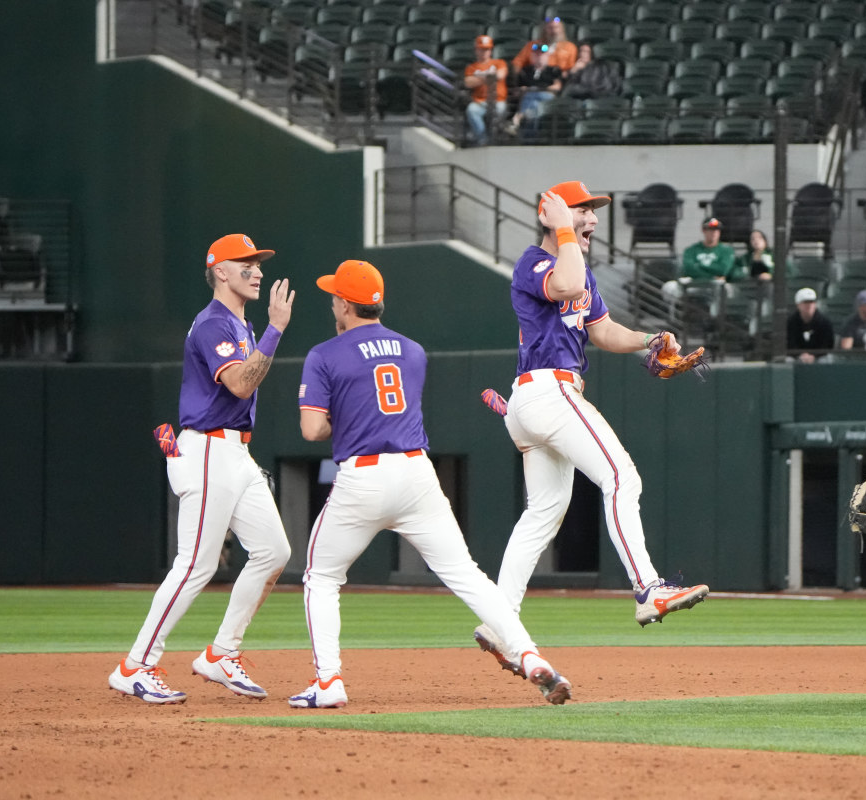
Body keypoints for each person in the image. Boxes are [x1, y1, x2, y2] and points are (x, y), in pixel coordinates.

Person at [288, 260, 572, 708]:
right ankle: (531, 656)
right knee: (467, 575)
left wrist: (341, 417)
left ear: (344, 303)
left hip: (363, 475)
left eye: (334, 297)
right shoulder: (413, 350)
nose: (332, 304)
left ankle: (329, 682)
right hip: (418, 472)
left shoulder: (325, 353)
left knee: (321, 577)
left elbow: (312, 430)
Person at [473, 180, 709, 670]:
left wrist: (650, 339)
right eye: (583, 210)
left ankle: (499, 622)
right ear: (552, 215)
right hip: (548, 390)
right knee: (622, 477)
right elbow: (567, 286)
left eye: (592, 212)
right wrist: (562, 227)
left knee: (542, 514)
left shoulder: (579, 268)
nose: (593, 219)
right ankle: (648, 588)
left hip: (536, 398)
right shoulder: (533, 262)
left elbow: (601, 330)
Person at [108, 233, 294, 704]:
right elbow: (238, 385)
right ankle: (136, 666)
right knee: (195, 565)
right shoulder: (214, 323)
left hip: (235, 454)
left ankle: (220, 654)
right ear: (220, 271)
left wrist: (265, 331)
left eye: (258, 263)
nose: (257, 270)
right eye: (246, 263)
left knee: (273, 552)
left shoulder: (238, 324)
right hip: (209, 451)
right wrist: (274, 329)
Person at [661, 218, 746, 318]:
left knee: (727, 288)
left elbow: (723, 270)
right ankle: (674, 319)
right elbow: (689, 269)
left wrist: (699, 266)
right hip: (693, 283)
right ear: (704, 231)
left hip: (715, 285)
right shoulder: (692, 250)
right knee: (669, 287)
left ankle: (716, 320)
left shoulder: (726, 250)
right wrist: (713, 271)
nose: (714, 233)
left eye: (716, 230)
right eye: (710, 229)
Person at [509, 42, 563, 138]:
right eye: (536, 54)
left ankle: (518, 118)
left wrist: (539, 89)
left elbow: (557, 87)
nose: (539, 57)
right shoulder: (525, 71)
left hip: (546, 97)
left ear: (547, 56)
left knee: (533, 94)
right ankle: (530, 134)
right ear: (532, 56)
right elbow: (517, 90)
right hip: (530, 99)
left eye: (541, 54)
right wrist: (524, 89)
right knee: (533, 104)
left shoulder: (553, 70)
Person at [463, 35, 508, 146]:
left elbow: (500, 75)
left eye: (487, 49)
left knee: (499, 112)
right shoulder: (472, 67)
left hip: (498, 100)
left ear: (491, 50)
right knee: (471, 110)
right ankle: (483, 140)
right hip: (479, 101)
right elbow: (468, 82)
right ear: (476, 50)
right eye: (481, 49)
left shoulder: (499, 63)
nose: (484, 52)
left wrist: (479, 78)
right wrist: (489, 77)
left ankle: (495, 140)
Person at [511, 15, 577, 74]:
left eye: (557, 27)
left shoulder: (570, 47)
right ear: (544, 30)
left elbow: (570, 68)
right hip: (534, 80)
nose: (554, 31)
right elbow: (517, 63)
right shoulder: (532, 45)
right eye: (550, 28)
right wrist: (521, 77)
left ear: (562, 30)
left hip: (558, 80)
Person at [786, 287, 835, 363]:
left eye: (811, 302)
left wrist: (814, 355)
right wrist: (800, 355)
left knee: (826, 360)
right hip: (797, 357)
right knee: (787, 360)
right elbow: (790, 343)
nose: (809, 305)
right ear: (798, 305)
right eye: (805, 302)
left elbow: (827, 344)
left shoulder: (824, 322)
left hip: (819, 357)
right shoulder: (791, 322)